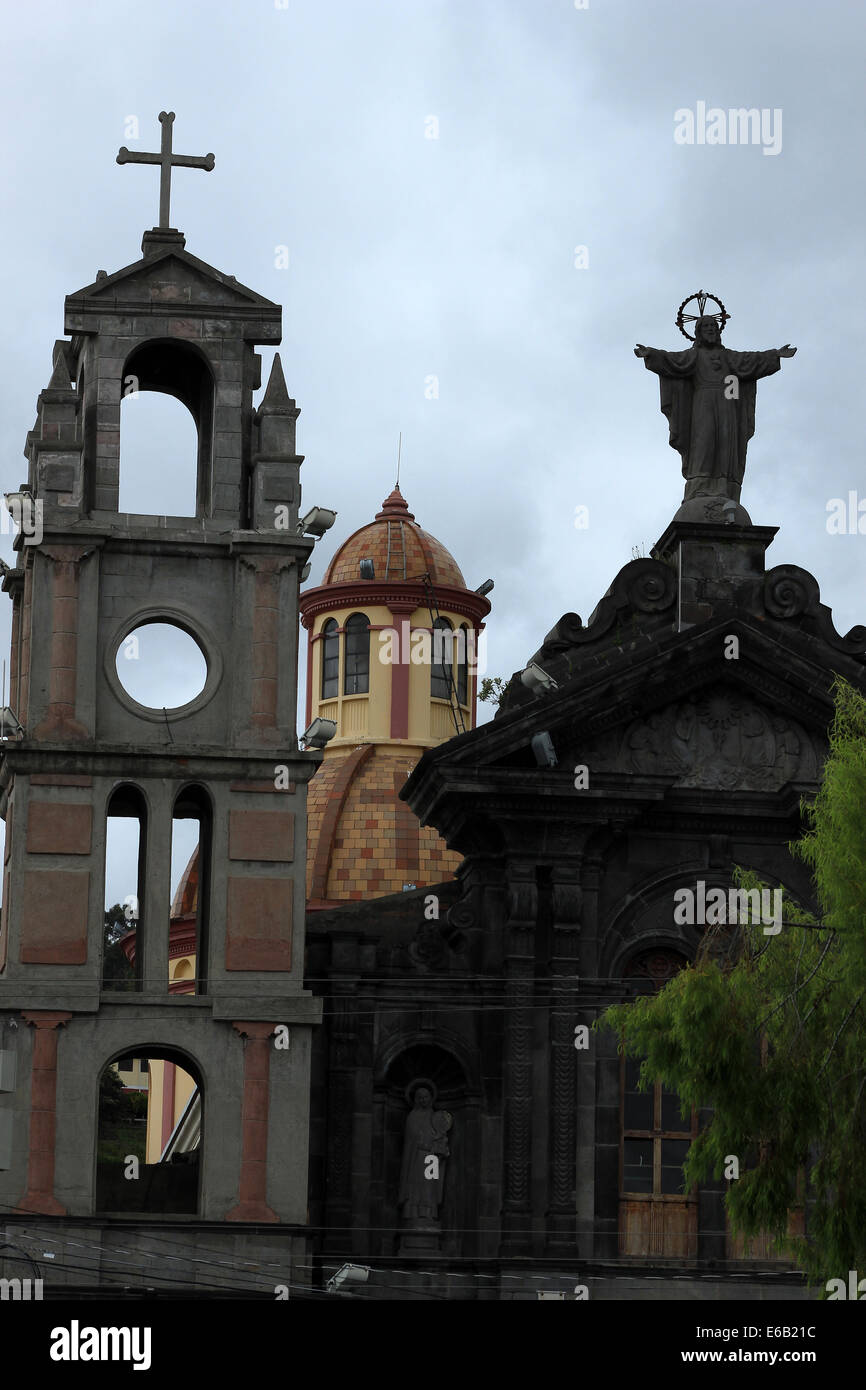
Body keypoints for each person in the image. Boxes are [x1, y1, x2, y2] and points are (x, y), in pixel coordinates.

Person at [635, 316, 796, 502]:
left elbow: (750, 361)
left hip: (727, 403)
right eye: (707, 327)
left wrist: (775, 354)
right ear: (699, 332)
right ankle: (699, 487)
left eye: (714, 326)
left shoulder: (728, 356)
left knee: (726, 443)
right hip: (702, 403)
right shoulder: (694, 355)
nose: (711, 329)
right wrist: (651, 354)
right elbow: (674, 361)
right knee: (704, 441)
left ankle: (725, 488)